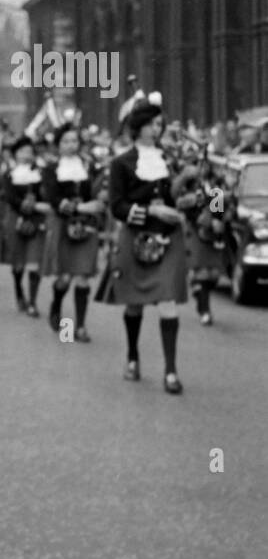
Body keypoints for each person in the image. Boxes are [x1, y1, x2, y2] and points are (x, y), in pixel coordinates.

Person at [101, 96, 188, 391]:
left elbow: (188, 197)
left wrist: (195, 197)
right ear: (137, 128)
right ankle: (133, 356)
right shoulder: (120, 163)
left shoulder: (171, 159)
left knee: (168, 304)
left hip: (168, 238)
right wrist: (151, 210)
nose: (158, 129)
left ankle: (171, 372)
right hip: (136, 236)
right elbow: (116, 206)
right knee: (135, 306)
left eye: (160, 124)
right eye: (152, 124)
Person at [41, 121, 105, 341]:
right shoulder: (51, 169)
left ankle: (79, 326)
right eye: (66, 141)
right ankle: (56, 305)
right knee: (65, 278)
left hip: (86, 225)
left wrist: (99, 200)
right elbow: (52, 197)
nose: (71, 145)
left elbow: (98, 191)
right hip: (63, 225)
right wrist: (77, 207)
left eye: (74, 141)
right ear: (58, 145)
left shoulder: (89, 167)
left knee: (83, 278)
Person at [173, 142, 224, 327]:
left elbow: (218, 198)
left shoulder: (215, 182)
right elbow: (175, 198)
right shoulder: (186, 180)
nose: (202, 166)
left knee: (213, 274)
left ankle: (198, 290)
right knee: (201, 270)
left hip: (209, 229)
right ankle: (204, 310)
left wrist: (216, 218)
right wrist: (188, 203)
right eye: (198, 163)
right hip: (191, 227)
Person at [0, 134, 50, 316]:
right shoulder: (8, 175)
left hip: (37, 219)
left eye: (29, 151)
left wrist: (38, 203)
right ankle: (19, 292)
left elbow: (47, 194)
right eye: (22, 151)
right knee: (19, 263)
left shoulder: (42, 173)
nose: (26, 155)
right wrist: (26, 206)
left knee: (35, 263)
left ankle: (33, 302)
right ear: (15, 154)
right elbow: (10, 197)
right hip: (16, 219)